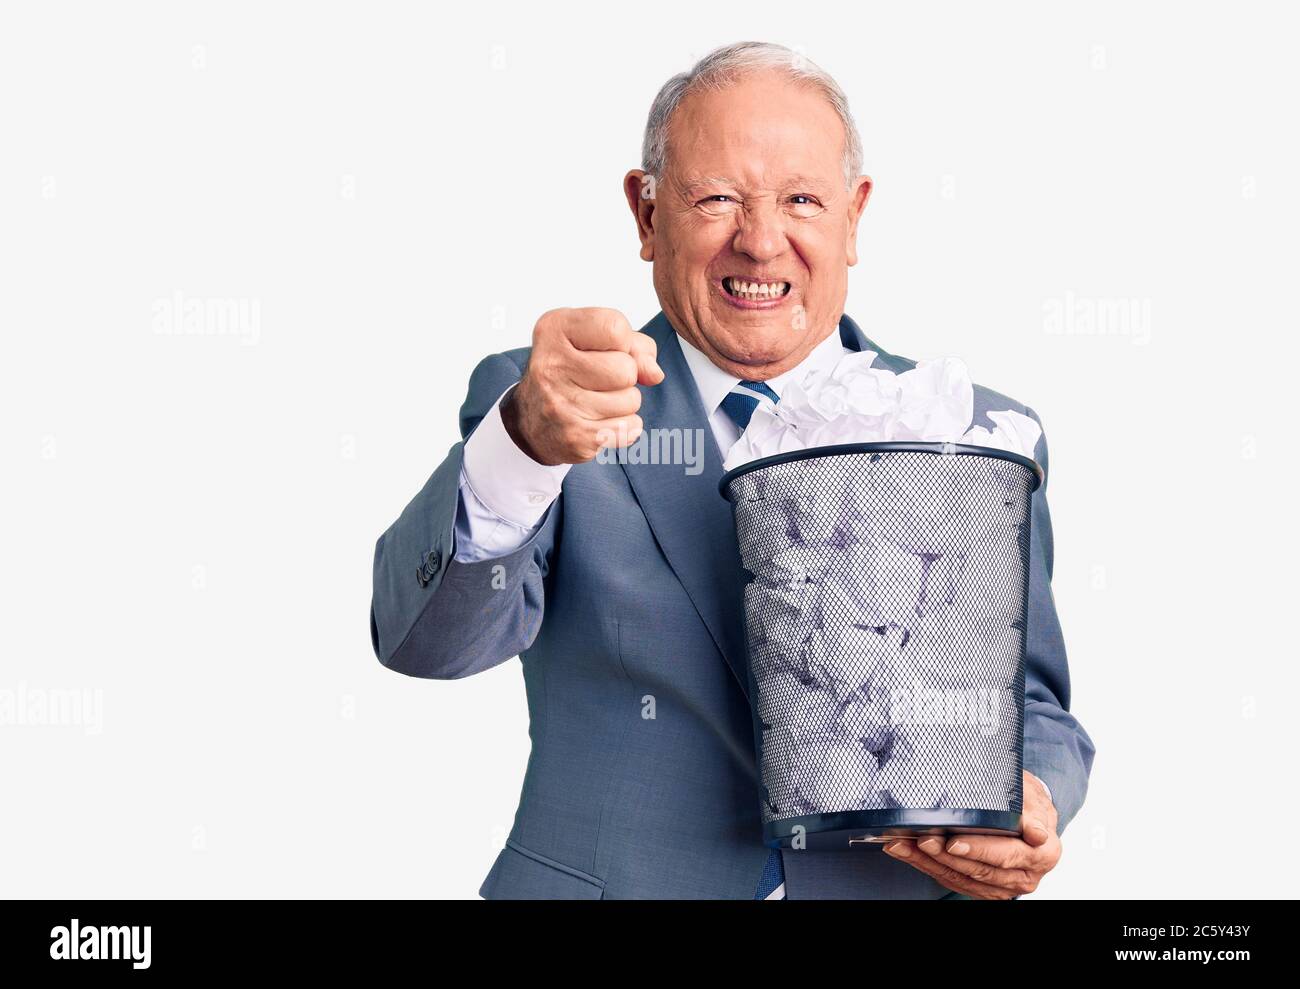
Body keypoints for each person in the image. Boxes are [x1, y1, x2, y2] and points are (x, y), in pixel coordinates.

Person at [370, 41, 1095, 899]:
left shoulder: (975, 430)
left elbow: (1034, 707)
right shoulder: (551, 406)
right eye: (716, 198)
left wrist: (1032, 800)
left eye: (802, 200)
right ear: (646, 215)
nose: (760, 242)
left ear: (854, 216)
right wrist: (522, 443)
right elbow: (427, 643)